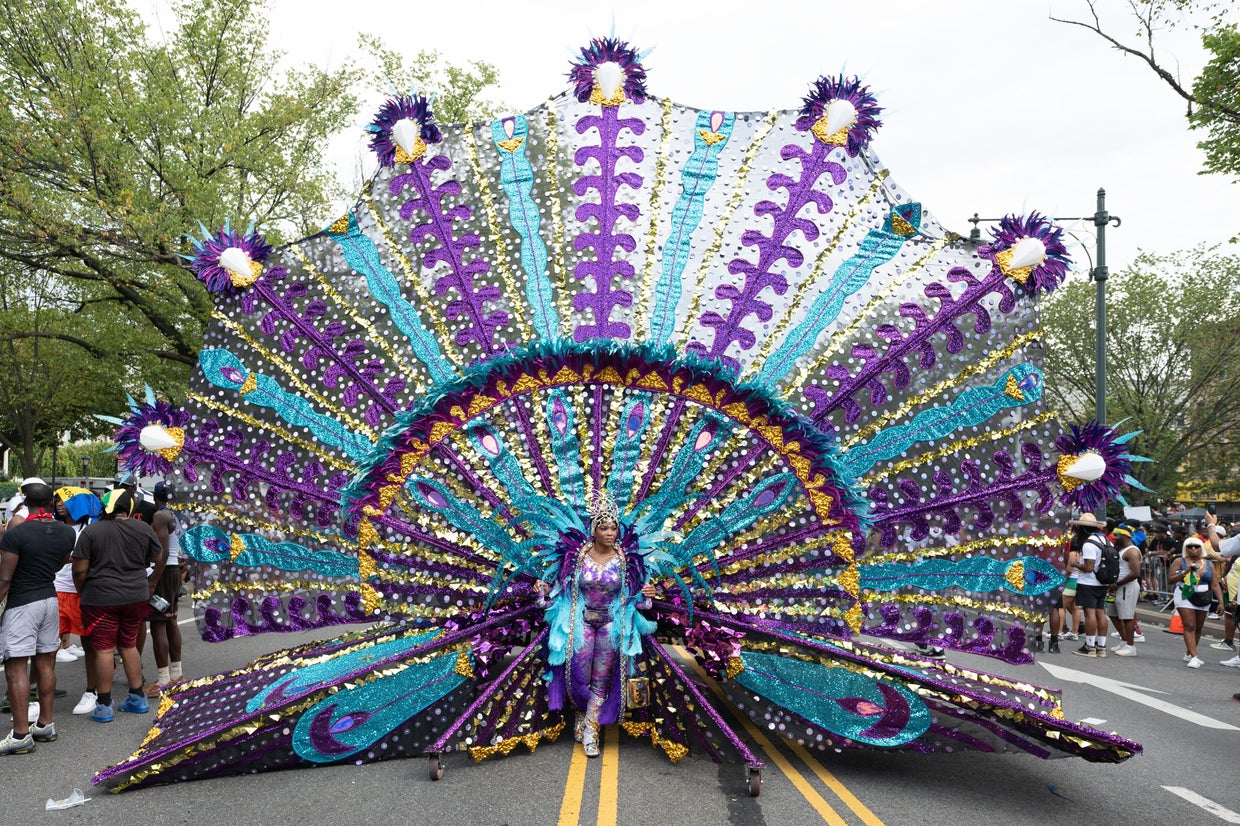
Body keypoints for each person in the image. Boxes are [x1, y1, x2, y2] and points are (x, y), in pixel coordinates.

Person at [536, 492, 657, 758]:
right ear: (593, 531)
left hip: (610, 624)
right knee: (577, 673)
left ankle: (591, 729)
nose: (610, 533)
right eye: (604, 528)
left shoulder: (626, 560)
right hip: (581, 622)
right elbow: (561, 592)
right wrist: (544, 591)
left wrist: (648, 597)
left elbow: (635, 602)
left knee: (601, 677)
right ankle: (583, 712)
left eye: (614, 528)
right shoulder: (577, 557)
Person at [72, 489, 165, 721]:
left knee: (103, 649)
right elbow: (157, 557)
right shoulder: (143, 528)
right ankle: (137, 698)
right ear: (129, 508)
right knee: (128, 644)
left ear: (105, 508)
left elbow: (80, 569)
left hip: (101, 597)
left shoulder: (92, 531)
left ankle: (103, 705)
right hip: (136, 595)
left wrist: (82, 590)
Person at [0, 483, 78, 754]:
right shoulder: (67, 532)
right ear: (50, 501)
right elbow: (60, 563)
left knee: (16, 668)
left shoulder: (17, 533)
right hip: (49, 600)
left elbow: (5, 578)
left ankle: (21, 734)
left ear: (25, 501)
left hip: (23, 603)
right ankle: (45, 724)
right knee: (45, 664)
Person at [145, 482, 184, 696]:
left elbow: (161, 551)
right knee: (171, 621)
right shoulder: (178, 514)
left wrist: (152, 582)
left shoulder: (161, 517)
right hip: (173, 571)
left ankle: (164, 680)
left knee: (159, 624)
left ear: (154, 497)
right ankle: (177, 674)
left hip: (164, 572)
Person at [1169, 535, 1217, 668]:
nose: (1193, 549)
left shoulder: (1209, 564)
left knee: (1198, 627)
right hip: (1185, 594)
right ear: (1186, 548)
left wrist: (1221, 603)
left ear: (1201, 548)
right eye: (1190, 547)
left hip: (1203, 596)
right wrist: (1185, 572)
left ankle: (1189, 653)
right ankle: (1194, 657)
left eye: (1196, 546)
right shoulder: (1179, 561)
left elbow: (1214, 584)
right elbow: (1170, 580)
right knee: (1189, 625)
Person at [1069, 514, 1111, 658]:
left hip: (1089, 583)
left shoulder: (1088, 544)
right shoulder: (1105, 540)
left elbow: (1088, 567)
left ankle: (1089, 646)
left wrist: (1075, 564)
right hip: (1102, 582)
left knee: (1089, 614)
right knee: (1101, 613)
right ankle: (1102, 646)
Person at [1106, 523, 1142, 656]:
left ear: (1124, 536)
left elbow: (1135, 573)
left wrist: (1117, 584)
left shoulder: (1131, 551)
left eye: (1116, 535)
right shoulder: (1122, 549)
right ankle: (1124, 641)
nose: (1113, 537)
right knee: (1113, 614)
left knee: (1127, 617)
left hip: (1127, 586)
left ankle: (1131, 647)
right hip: (1116, 587)